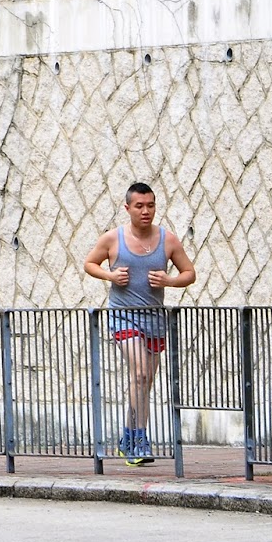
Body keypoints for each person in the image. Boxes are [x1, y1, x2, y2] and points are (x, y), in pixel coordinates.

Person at [82, 181, 196, 466]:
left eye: (151, 205)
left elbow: (189, 273)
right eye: (139, 206)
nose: (146, 211)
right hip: (124, 315)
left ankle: (127, 438)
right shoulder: (113, 239)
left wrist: (169, 280)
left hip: (155, 319)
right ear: (128, 208)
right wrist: (110, 276)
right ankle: (139, 439)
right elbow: (89, 263)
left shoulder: (167, 240)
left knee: (144, 381)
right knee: (141, 372)